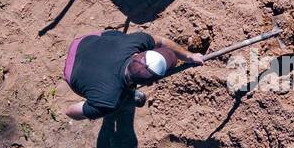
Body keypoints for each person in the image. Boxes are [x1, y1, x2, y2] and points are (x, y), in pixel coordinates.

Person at [62, 29, 203, 119]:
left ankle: (128, 91)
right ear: (148, 83)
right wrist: (95, 105)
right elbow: (70, 112)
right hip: (72, 72)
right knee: (119, 98)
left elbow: (161, 42)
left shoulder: (137, 41)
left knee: (117, 36)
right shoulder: (108, 101)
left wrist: (190, 57)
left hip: (83, 42)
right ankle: (128, 93)